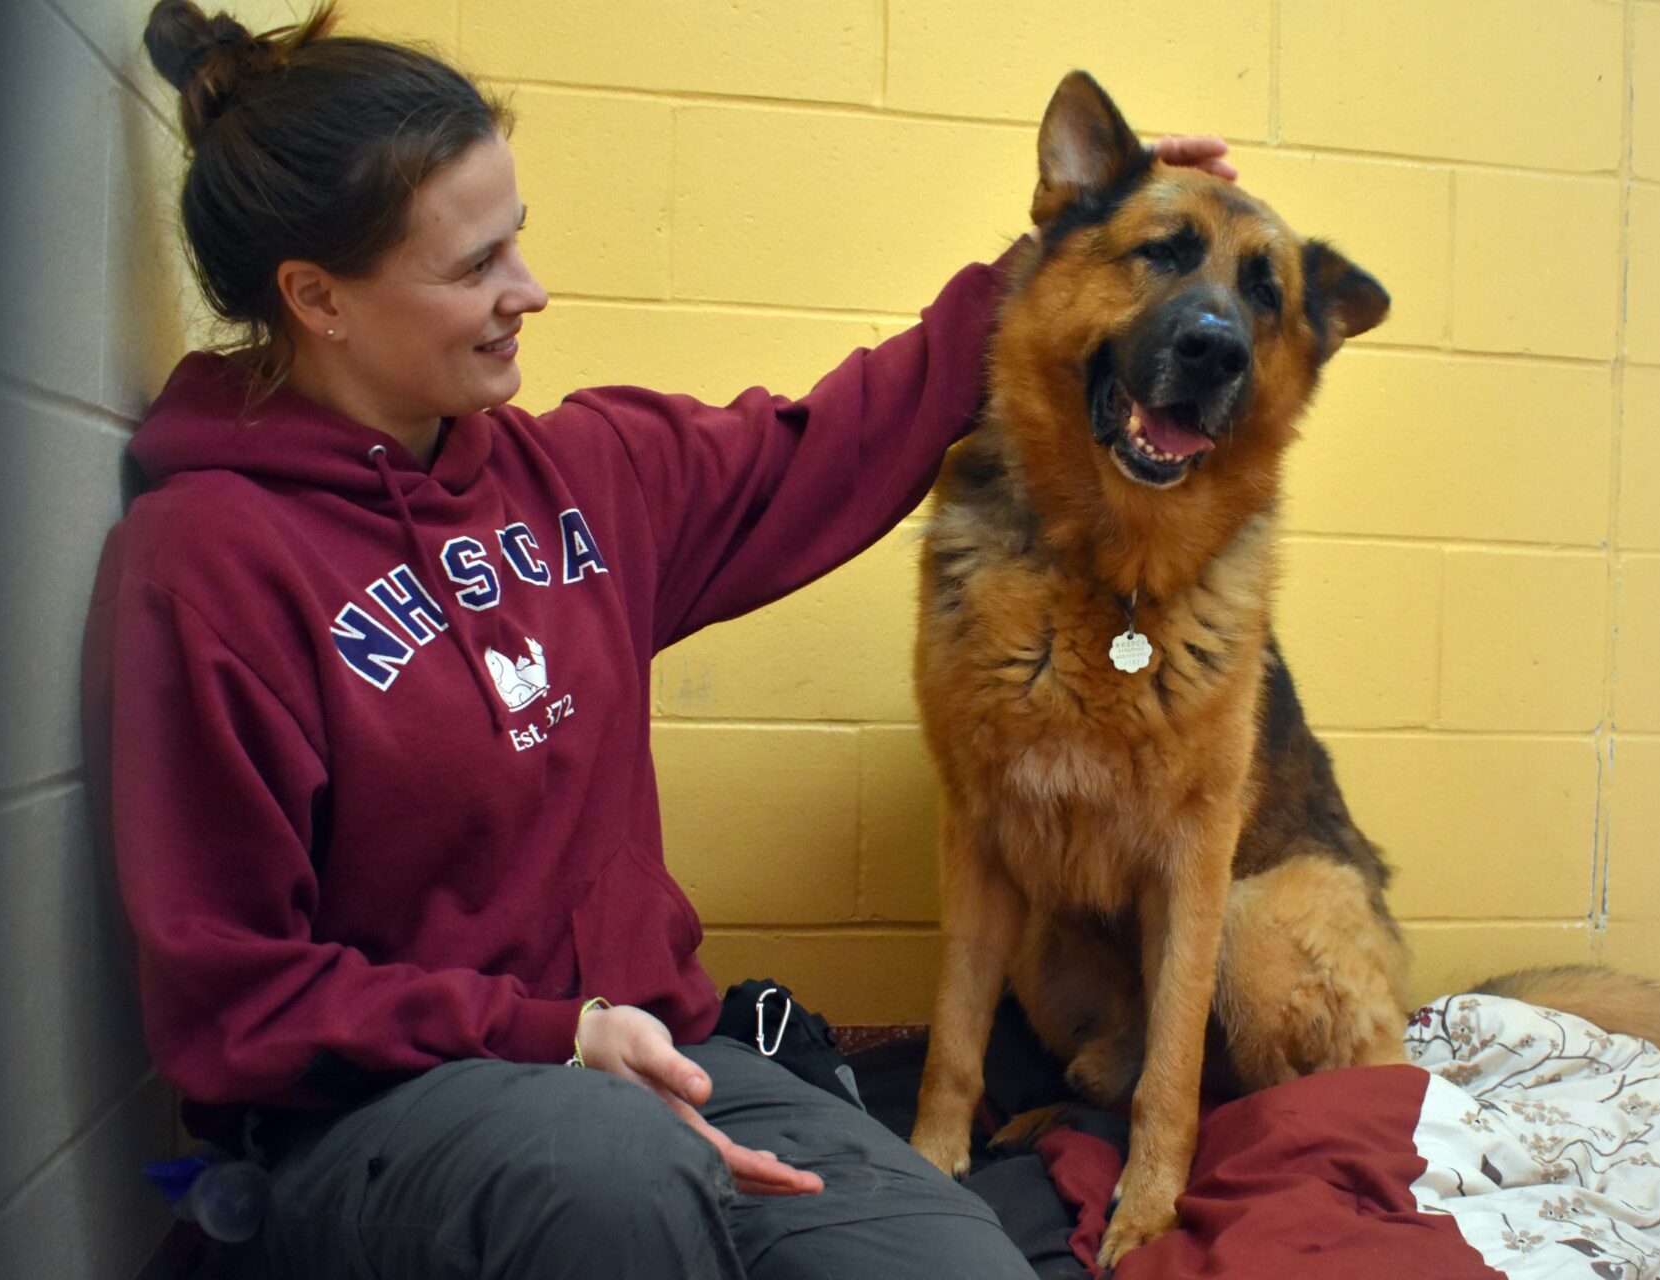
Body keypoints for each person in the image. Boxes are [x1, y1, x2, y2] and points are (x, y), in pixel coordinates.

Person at [88, 3, 1236, 1276]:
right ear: (318, 298)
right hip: (393, 1118)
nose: (527, 289)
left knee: (953, 1263)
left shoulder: (585, 475)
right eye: (473, 267)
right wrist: (558, 1037)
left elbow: (838, 439)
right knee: (612, 1182)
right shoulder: (203, 564)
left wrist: (1072, 251)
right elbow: (234, 1001)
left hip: (659, 1060)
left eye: (514, 237)